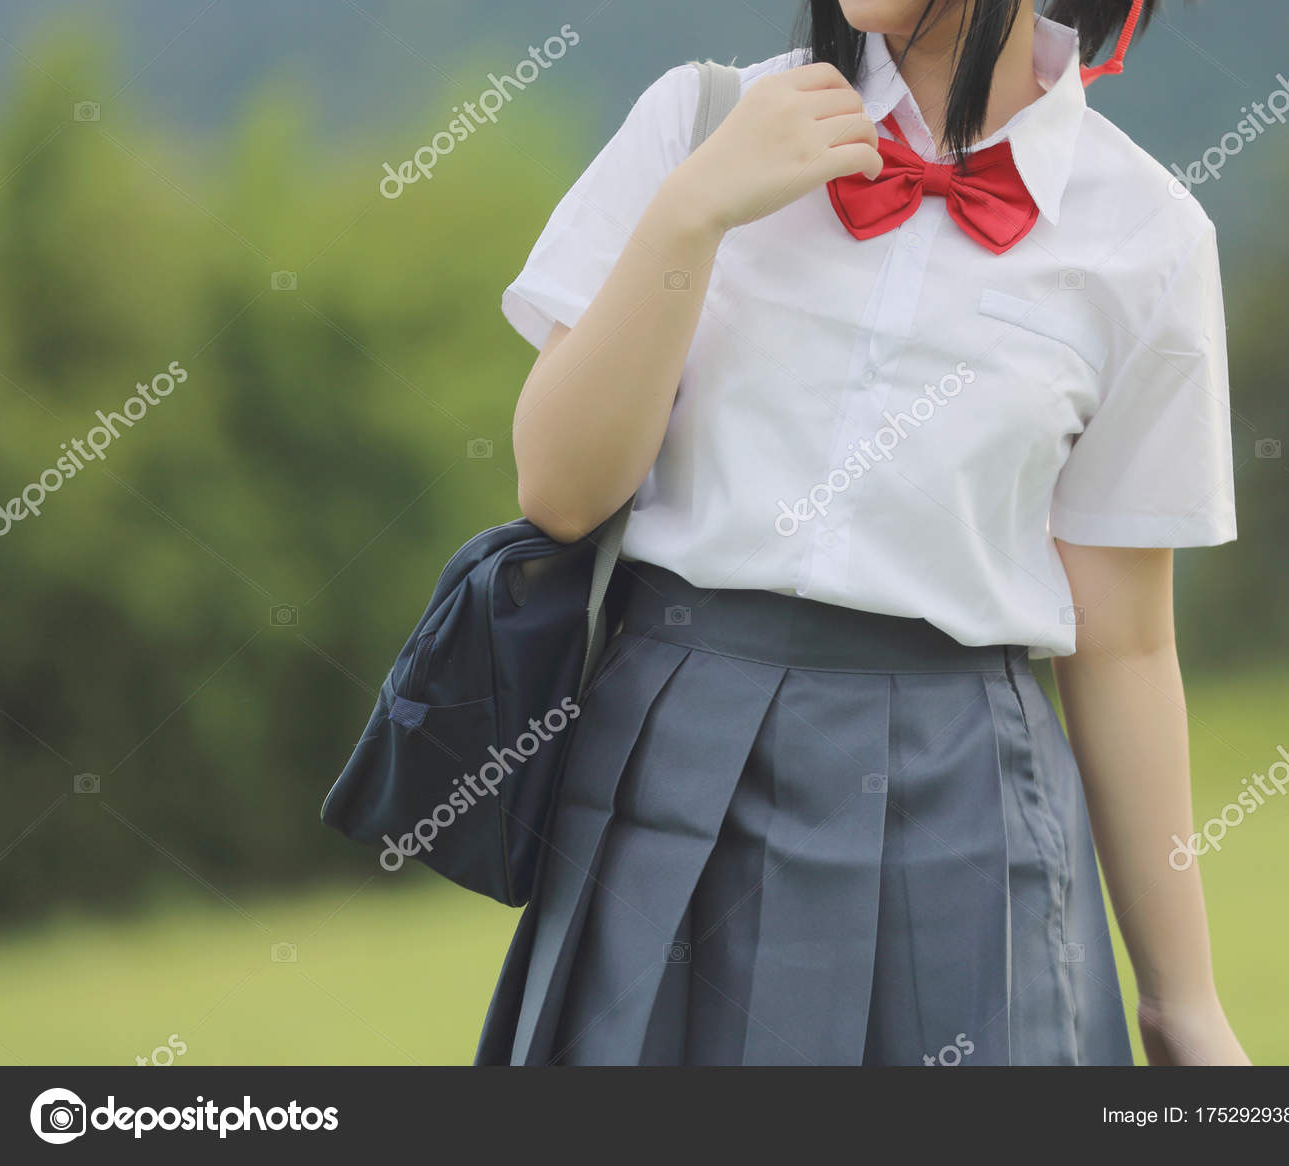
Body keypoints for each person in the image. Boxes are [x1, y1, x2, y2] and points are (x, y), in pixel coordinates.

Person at [479, 0, 1248, 1066]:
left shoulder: (1148, 236)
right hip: (671, 763)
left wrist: (1183, 999)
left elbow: (1124, 644)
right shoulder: (698, 120)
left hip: (968, 804)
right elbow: (560, 490)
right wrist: (692, 211)